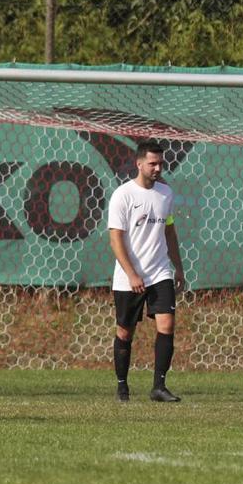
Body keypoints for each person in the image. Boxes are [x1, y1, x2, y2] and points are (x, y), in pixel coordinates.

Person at [107, 140, 186, 403]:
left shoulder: (166, 193)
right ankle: (122, 387)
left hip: (159, 272)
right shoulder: (123, 195)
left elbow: (169, 231)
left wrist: (178, 268)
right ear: (139, 164)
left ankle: (159, 387)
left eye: (161, 163)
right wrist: (131, 274)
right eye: (153, 163)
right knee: (125, 331)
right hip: (129, 277)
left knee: (167, 324)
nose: (158, 168)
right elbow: (115, 239)